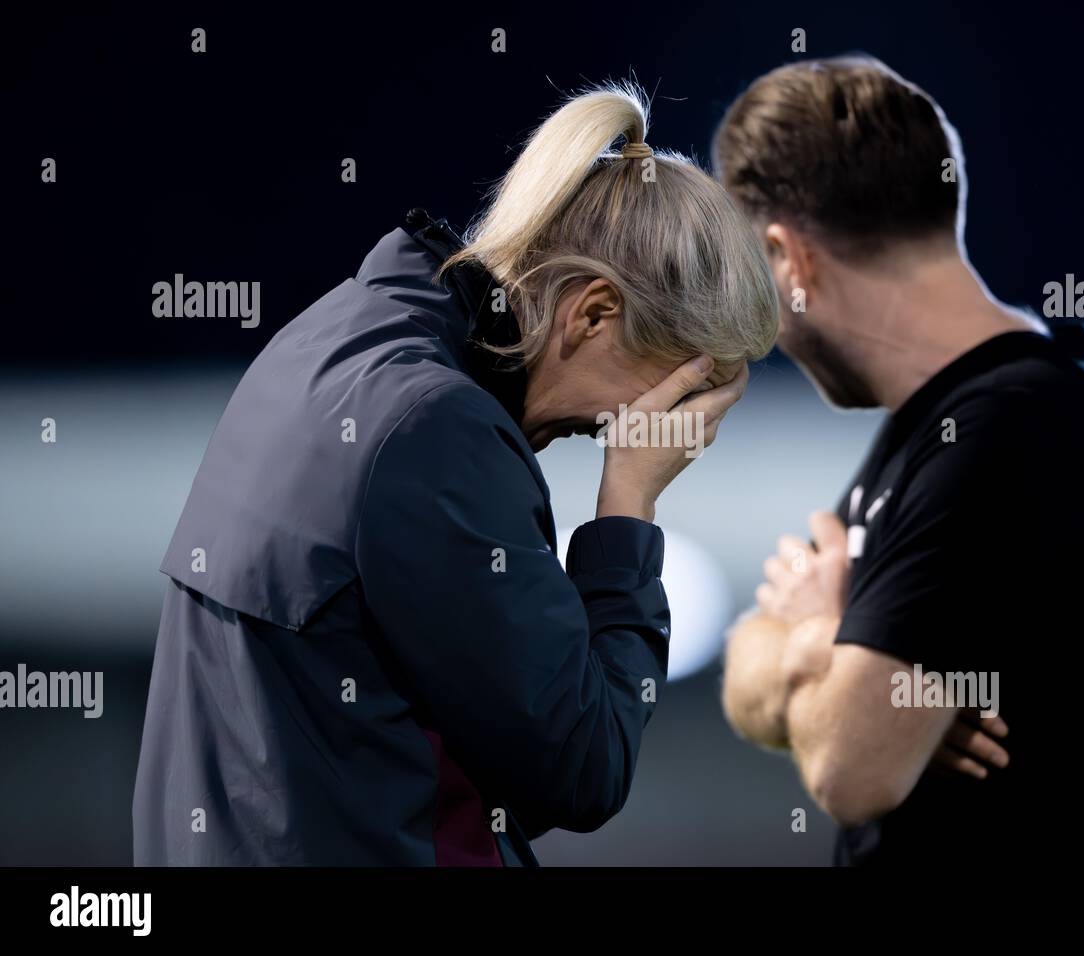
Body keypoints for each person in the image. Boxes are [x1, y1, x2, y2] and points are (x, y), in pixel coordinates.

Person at [132, 82, 779, 866]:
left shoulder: (331, 339)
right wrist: (628, 508)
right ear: (593, 313)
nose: (633, 431)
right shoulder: (439, 432)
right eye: (665, 392)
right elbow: (580, 770)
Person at [714, 56, 1084, 865]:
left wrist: (823, 627)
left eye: (758, 277)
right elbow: (746, 674)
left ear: (791, 259)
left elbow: (851, 770)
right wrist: (838, 658)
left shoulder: (1006, 430)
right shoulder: (940, 424)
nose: (768, 327)